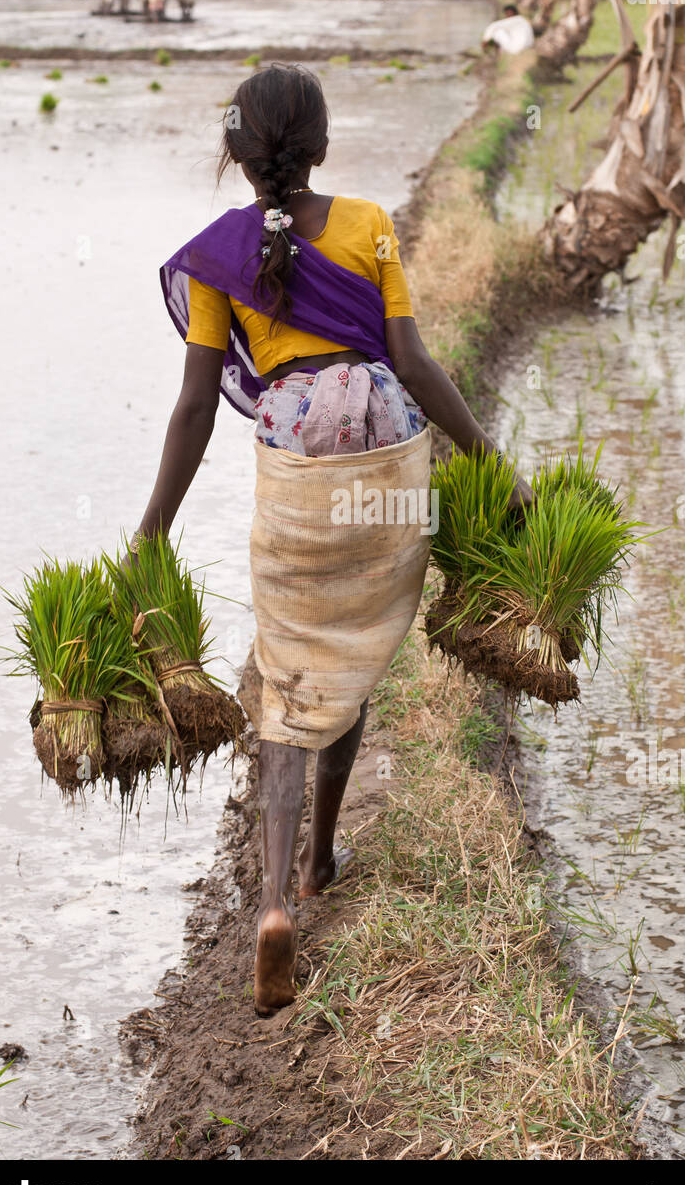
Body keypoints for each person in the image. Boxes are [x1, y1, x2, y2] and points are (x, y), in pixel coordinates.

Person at [133, 62, 531, 1015]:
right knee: (350, 658)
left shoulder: (220, 255)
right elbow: (413, 362)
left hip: (297, 464)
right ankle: (320, 858)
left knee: (288, 677)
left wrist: (152, 530)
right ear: (322, 146)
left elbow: (195, 406)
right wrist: (492, 464)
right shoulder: (368, 224)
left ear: (237, 153)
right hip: (388, 454)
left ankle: (274, 903)